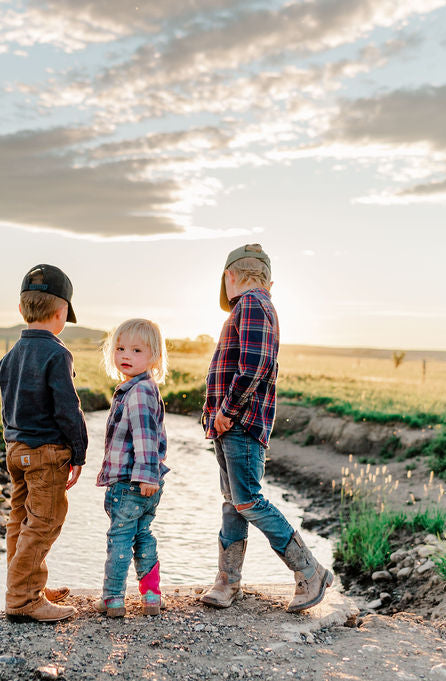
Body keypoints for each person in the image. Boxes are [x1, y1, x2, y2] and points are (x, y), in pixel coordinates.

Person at [199, 244, 333, 613]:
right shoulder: (253, 305)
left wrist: (226, 410)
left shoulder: (253, 303)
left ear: (229, 276)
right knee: (234, 502)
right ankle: (228, 582)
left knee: (247, 500)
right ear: (267, 278)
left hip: (239, 423)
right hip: (230, 425)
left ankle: (310, 571)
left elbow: (255, 364)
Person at [0, 264, 88, 623]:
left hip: (16, 448)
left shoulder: (10, 356)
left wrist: (12, 443)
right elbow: (68, 409)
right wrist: (78, 451)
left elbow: (8, 407)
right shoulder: (57, 354)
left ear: (22, 309)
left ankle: (29, 585)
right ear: (61, 312)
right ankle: (23, 598)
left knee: (20, 521)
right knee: (46, 521)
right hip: (46, 453)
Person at [95, 318, 170, 617]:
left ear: (154, 357)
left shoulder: (137, 393)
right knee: (142, 534)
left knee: (120, 537)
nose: (126, 355)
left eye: (137, 350)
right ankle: (151, 595)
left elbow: (144, 437)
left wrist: (146, 475)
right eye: (121, 348)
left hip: (131, 482)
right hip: (146, 482)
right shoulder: (143, 388)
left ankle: (112, 597)